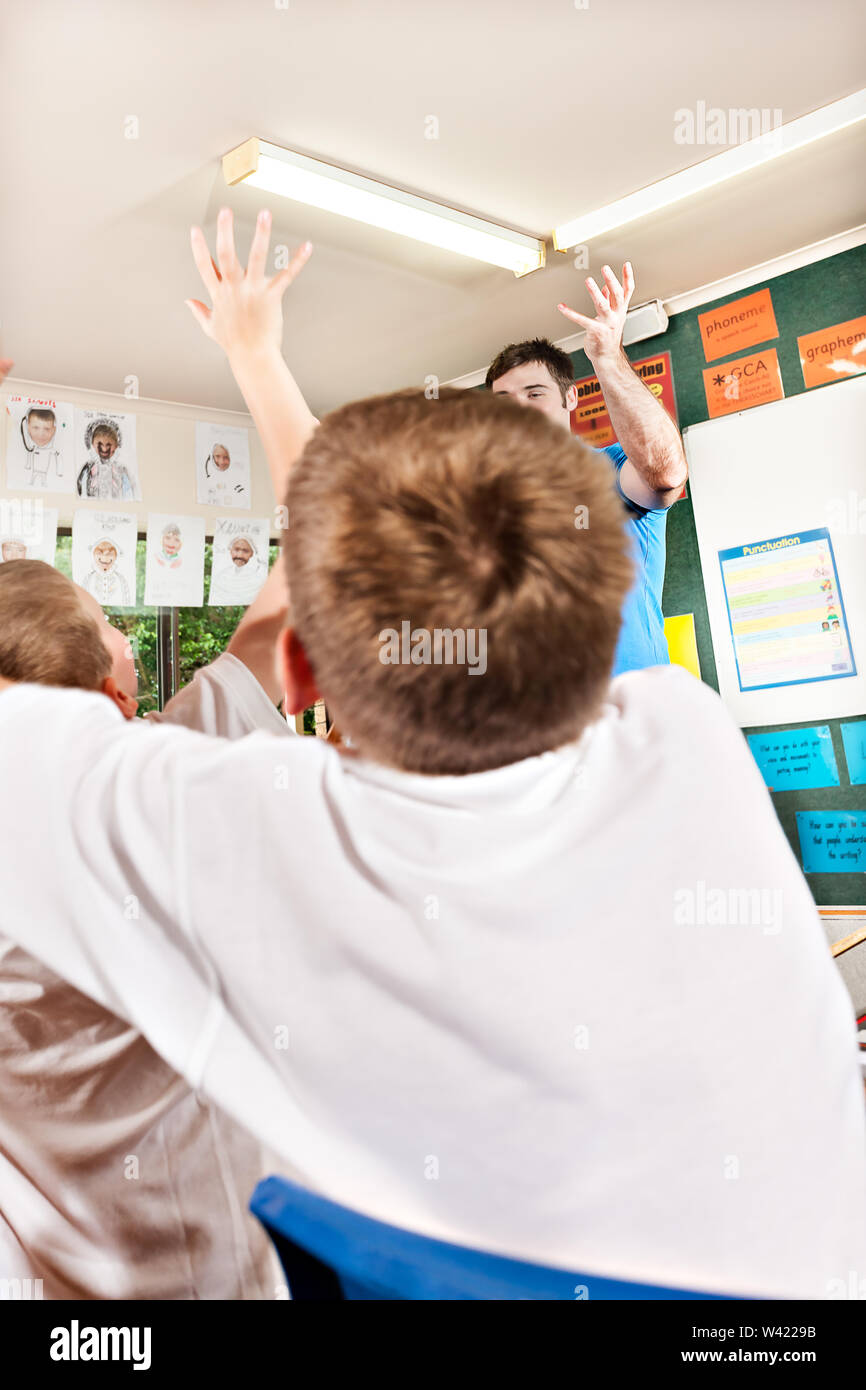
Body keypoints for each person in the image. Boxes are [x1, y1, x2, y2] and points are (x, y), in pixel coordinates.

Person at [0, 210, 862, 1298]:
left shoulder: (256, 821)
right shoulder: (688, 738)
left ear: (307, 682)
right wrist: (258, 358)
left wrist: (254, 355)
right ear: (605, 619)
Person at [0, 556, 292, 1299]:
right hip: (211, 1266)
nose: (126, 632)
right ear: (112, 692)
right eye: (108, 621)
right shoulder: (169, 774)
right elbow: (290, 596)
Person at [485, 267, 688, 676]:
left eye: (535, 393)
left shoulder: (611, 472)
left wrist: (608, 359)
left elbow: (665, 472)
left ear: (570, 398)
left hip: (628, 715)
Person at [76, 418, 137, 500]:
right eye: (99, 444)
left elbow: (130, 494)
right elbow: (80, 491)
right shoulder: (87, 468)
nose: (104, 449)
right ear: (92, 444)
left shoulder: (122, 470)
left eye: (109, 445)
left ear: (116, 445)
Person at [19, 405, 64, 487]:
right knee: (32, 480)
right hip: (34, 471)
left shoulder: (52, 450)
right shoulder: (32, 448)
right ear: (28, 427)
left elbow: (59, 457)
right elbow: (29, 455)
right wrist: (28, 465)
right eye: (36, 428)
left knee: (43, 482)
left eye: (46, 429)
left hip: (45, 472)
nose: (41, 434)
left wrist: (59, 472)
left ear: (54, 430)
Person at [82, 537, 131, 606]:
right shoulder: (89, 578)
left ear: (116, 556)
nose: (105, 557)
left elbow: (127, 600)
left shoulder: (120, 579)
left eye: (110, 554)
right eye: (99, 553)